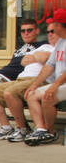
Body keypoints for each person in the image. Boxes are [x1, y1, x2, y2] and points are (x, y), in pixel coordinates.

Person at [0, 23, 55, 142]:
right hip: (21, 79)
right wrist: (38, 56)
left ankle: (23, 129)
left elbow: (45, 59)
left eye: (53, 32)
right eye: (48, 32)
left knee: (10, 93)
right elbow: (24, 61)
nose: (50, 35)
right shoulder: (43, 47)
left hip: (38, 80)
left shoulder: (58, 48)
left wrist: (36, 57)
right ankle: (6, 127)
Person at [23, 10, 66, 146]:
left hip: (63, 83)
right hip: (61, 84)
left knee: (48, 97)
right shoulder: (60, 43)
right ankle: (42, 130)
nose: (51, 30)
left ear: (59, 25)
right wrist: (35, 84)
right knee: (32, 95)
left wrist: (55, 85)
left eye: (53, 25)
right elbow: (49, 66)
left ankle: (51, 132)